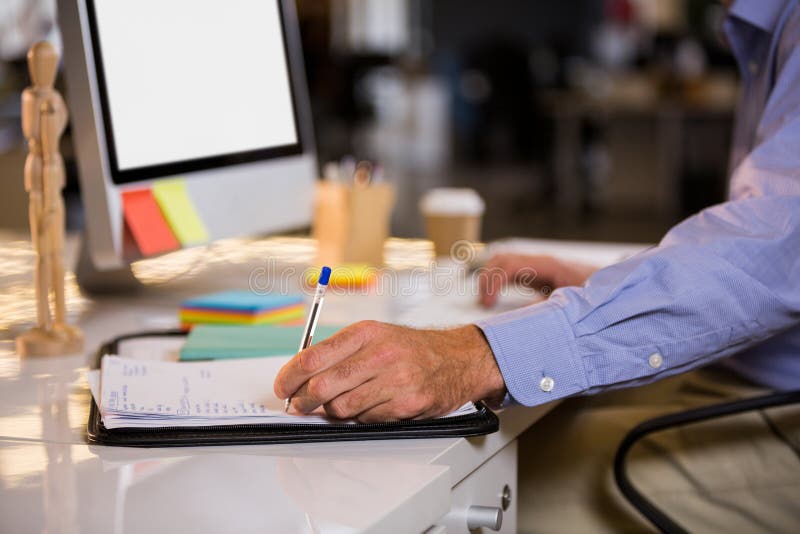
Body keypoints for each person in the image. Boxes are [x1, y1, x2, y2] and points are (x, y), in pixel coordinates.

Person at [275, 0, 800, 530]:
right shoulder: (766, 24)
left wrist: (475, 354)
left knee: (469, 504)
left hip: (779, 415)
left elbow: (778, 245)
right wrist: (605, 284)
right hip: (746, 373)